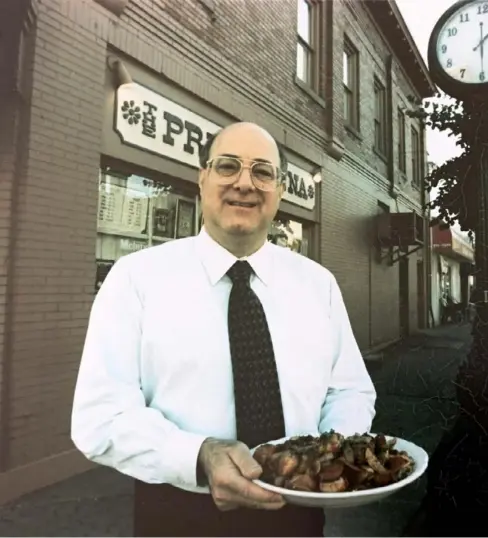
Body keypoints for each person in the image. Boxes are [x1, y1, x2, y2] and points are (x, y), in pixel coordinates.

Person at [71, 122, 377, 537]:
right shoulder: (137, 278)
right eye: (228, 166)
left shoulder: (317, 284)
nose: (244, 183)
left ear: (280, 189)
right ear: (202, 178)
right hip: (178, 514)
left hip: (299, 516)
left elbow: (349, 389)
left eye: (263, 172)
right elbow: (100, 416)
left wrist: (327, 455)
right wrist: (199, 455)